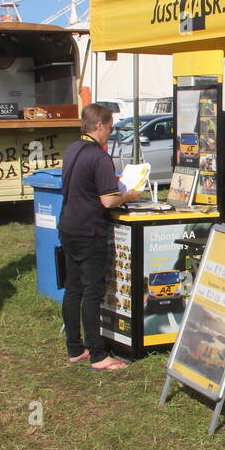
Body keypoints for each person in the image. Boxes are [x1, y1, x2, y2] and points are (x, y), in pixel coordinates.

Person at [59, 102, 144, 371]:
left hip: (69, 226)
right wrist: (129, 195)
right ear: (99, 126)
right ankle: (98, 354)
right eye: (109, 127)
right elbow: (108, 201)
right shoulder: (99, 157)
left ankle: (75, 348)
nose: (110, 132)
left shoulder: (72, 149)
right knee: (92, 292)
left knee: (73, 290)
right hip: (89, 231)